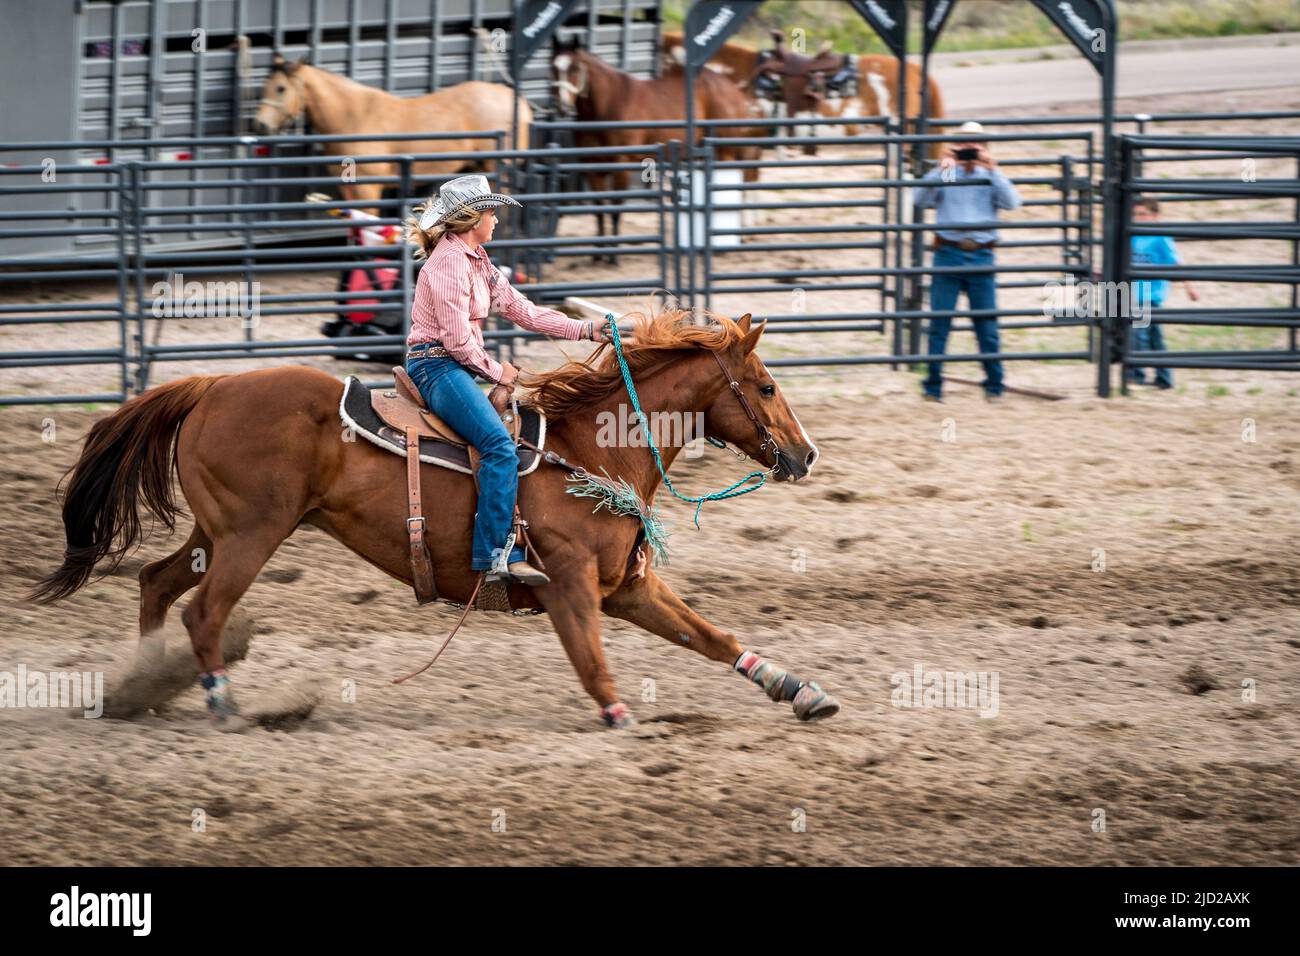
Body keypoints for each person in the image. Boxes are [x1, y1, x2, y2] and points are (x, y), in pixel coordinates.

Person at [404, 175, 613, 586]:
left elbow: (526, 312)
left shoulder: (477, 261)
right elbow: (456, 340)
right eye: (491, 211)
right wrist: (498, 373)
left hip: (454, 365)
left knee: (504, 438)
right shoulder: (448, 265)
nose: (496, 220)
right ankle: (495, 554)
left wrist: (588, 330)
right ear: (472, 218)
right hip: (436, 366)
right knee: (499, 446)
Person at [913, 120, 1022, 403]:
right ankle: (933, 387)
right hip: (949, 252)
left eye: (976, 142)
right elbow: (920, 199)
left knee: (987, 325)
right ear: (956, 145)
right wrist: (942, 167)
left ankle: (995, 385)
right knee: (940, 322)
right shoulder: (947, 173)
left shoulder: (991, 174)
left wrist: (993, 170)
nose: (971, 147)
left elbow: (1012, 202)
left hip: (981, 253)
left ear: (984, 145)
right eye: (965, 142)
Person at [1128, 196, 1198, 389]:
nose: (1138, 218)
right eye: (1136, 214)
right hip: (1134, 293)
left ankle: (1136, 376)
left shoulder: (1160, 236)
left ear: (1155, 216)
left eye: (1143, 214)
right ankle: (1164, 378)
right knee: (1154, 338)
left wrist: (1188, 286)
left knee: (1138, 334)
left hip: (1151, 294)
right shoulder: (1131, 235)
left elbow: (1175, 262)